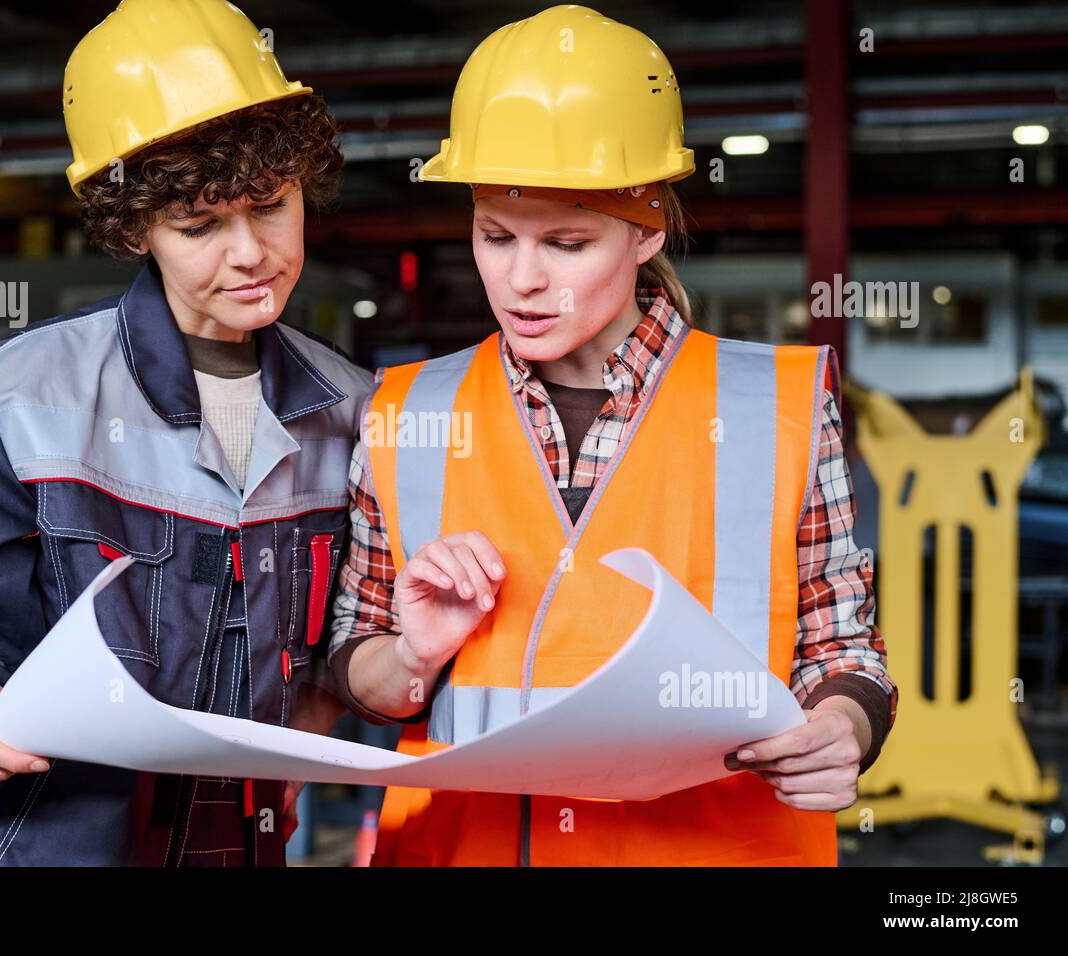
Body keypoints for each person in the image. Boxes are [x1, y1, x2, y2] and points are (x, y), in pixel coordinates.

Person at [327, 5, 897, 866]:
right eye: (495, 236)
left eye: (566, 242)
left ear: (646, 230)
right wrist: (412, 653)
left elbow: (844, 646)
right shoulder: (409, 412)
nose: (522, 279)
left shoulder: (773, 405)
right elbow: (357, 664)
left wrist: (840, 729)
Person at [0, 0, 369, 866]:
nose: (250, 252)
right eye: (201, 226)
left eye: (271, 206)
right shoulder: (19, 394)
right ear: (135, 226)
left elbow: (339, 663)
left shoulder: (356, 411)